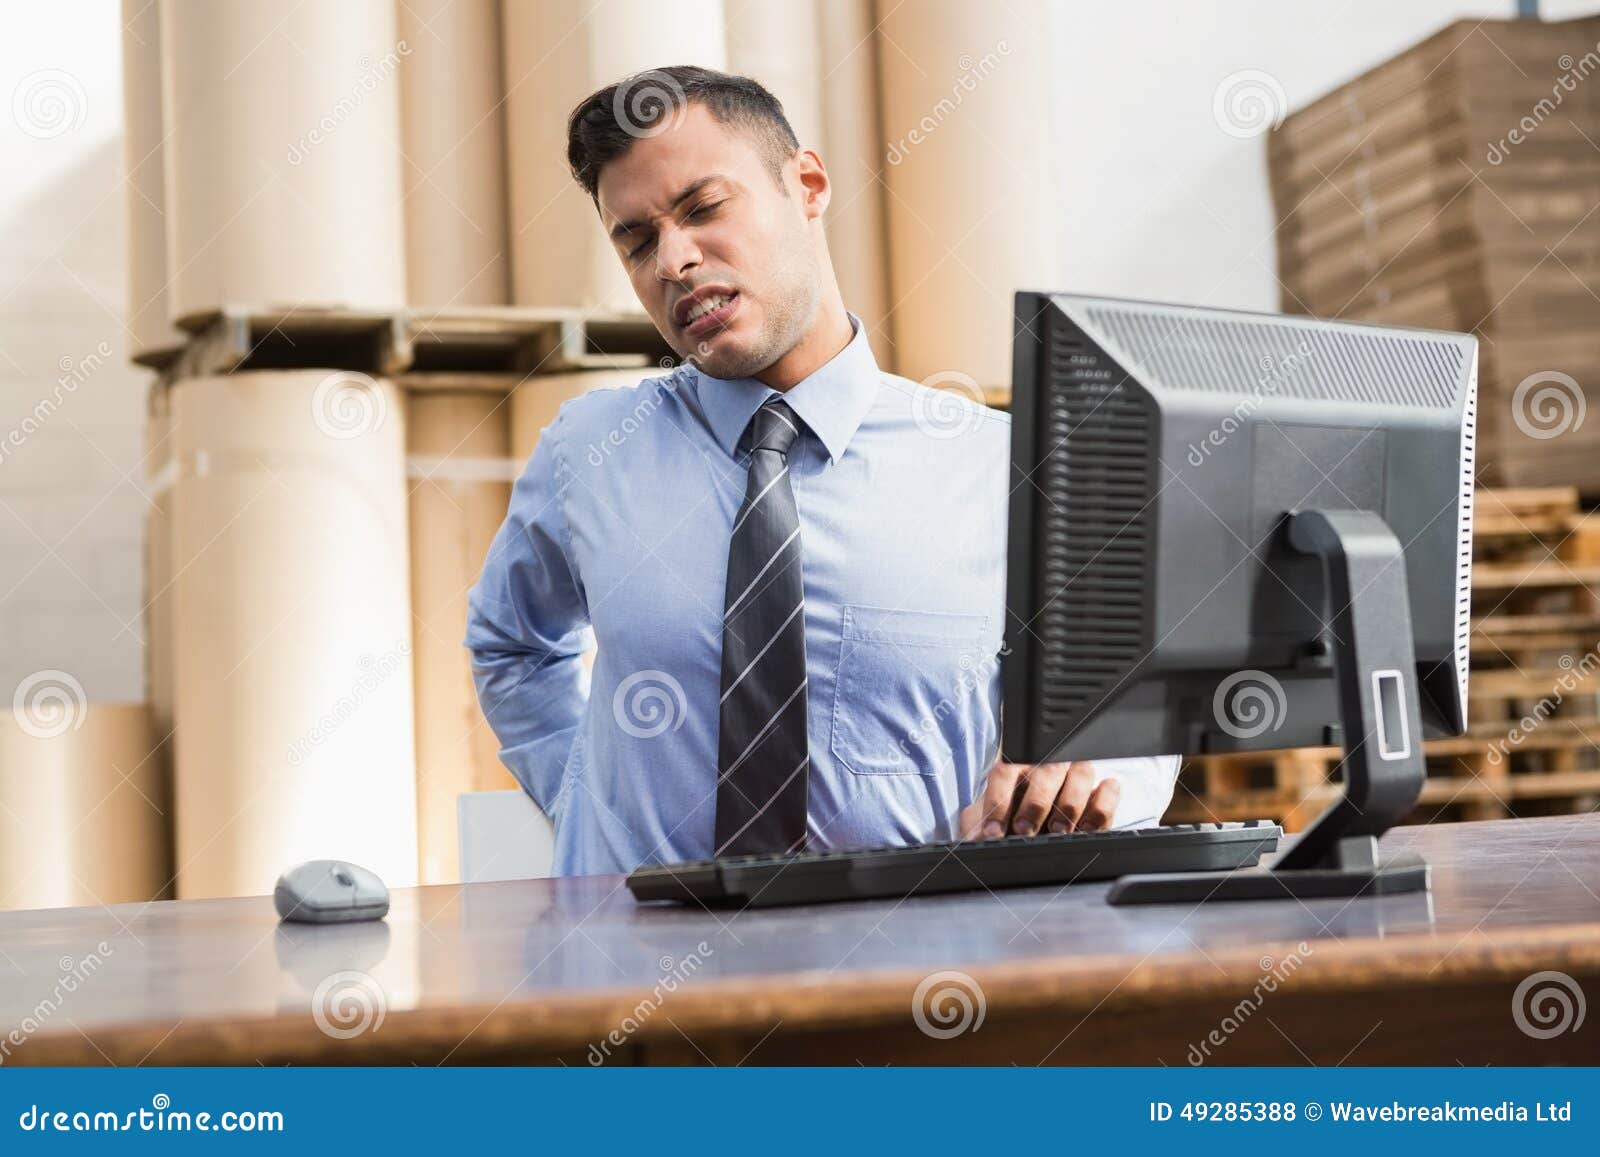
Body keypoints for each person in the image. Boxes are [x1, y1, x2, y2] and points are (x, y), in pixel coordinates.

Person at [466, 66, 1180, 876]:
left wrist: (1096, 771)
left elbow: (1137, 702)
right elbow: (510, 644)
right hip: (646, 975)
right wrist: (584, 798)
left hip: (917, 970)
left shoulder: (1000, 466)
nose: (673, 258)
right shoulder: (589, 452)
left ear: (806, 186)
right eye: (637, 239)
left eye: (703, 208)